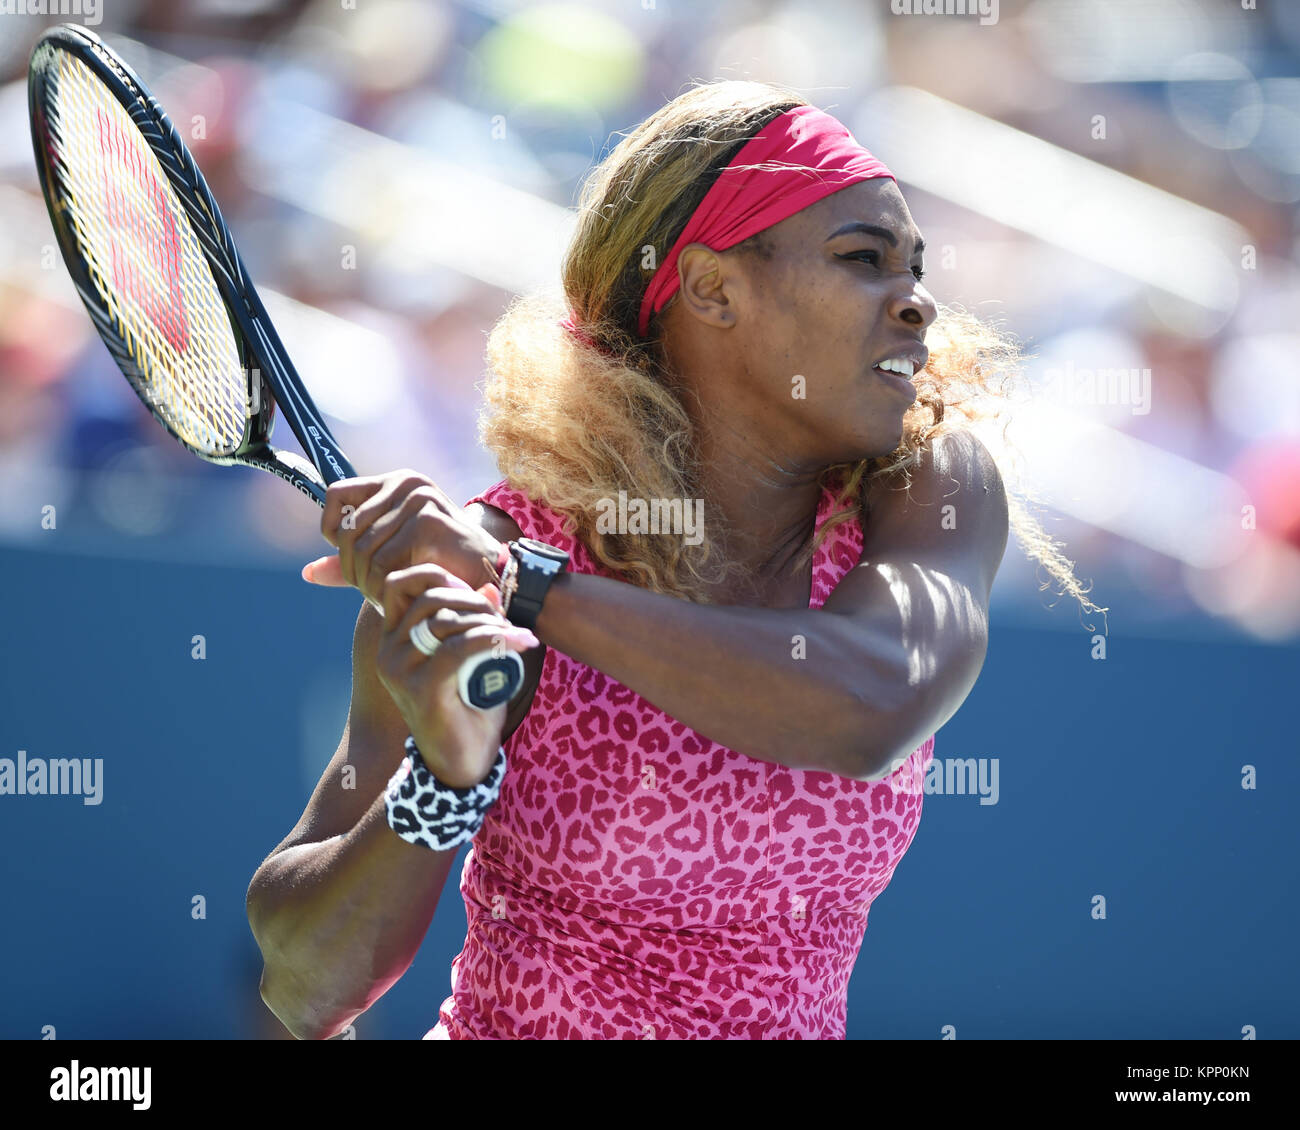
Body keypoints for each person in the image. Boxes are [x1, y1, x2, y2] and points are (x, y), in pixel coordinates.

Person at [246, 80, 1102, 1040]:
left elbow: (876, 699)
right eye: (865, 260)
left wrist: (533, 590)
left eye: (917, 267)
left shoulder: (932, 487)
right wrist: (445, 781)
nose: (919, 304)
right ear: (710, 289)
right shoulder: (484, 564)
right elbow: (303, 985)